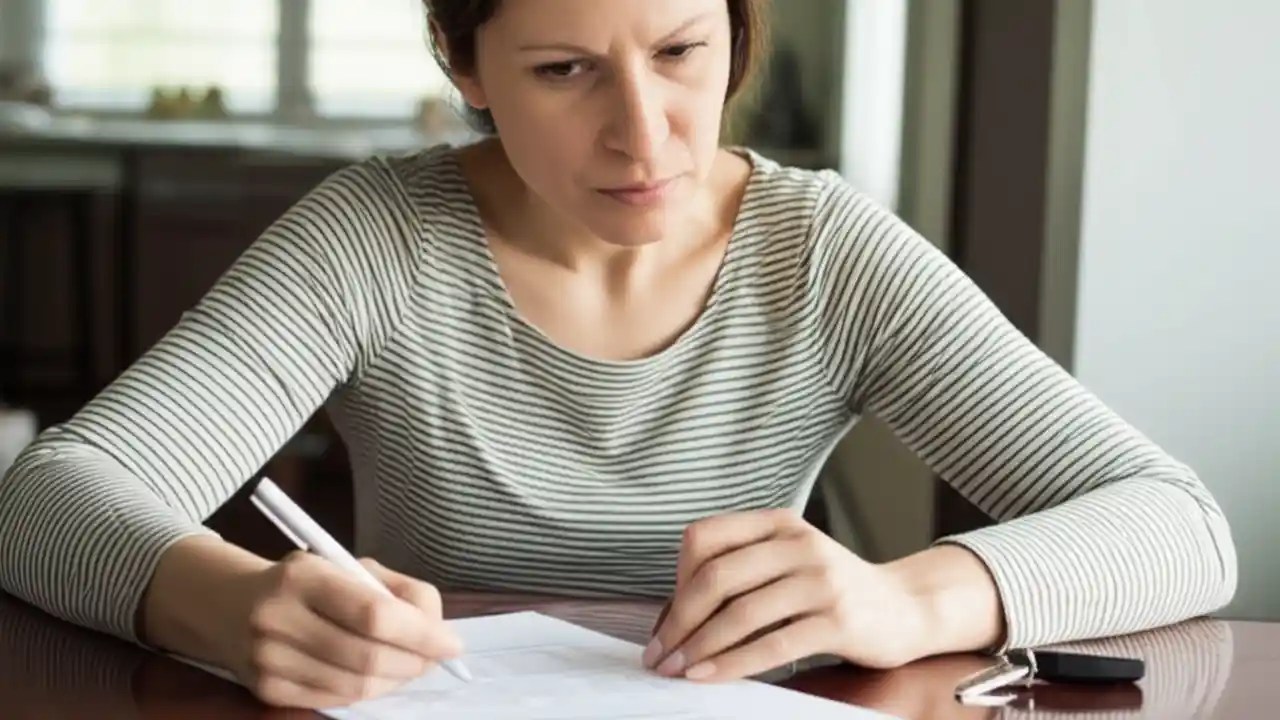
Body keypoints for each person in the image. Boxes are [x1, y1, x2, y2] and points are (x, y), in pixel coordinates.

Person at [0, 0, 1237, 711]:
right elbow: (44, 497)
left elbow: (1177, 524)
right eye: (563, 71)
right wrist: (230, 606)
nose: (644, 138)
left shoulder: (824, 251)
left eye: (681, 52)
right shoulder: (376, 236)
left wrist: (903, 597)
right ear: (462, 63)